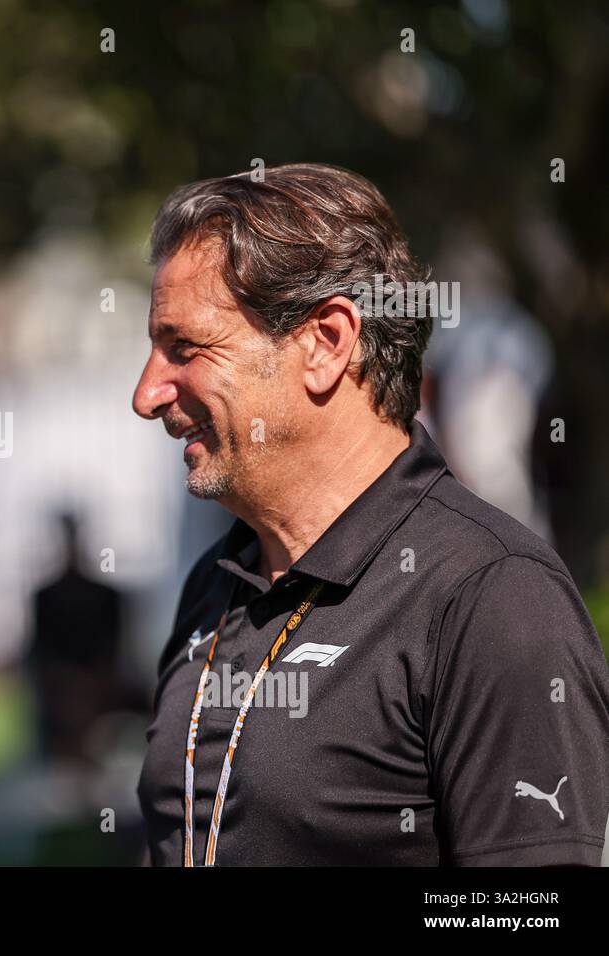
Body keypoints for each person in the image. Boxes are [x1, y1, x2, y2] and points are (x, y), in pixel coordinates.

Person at [131, 163, 609, 865]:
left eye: (186, 348)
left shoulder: (494, 597)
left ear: (326, 343)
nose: (146, 394)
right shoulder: (217, 582)